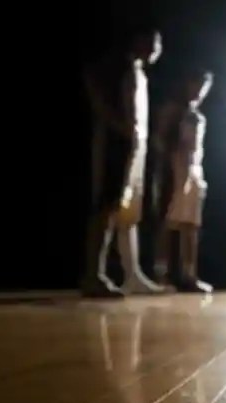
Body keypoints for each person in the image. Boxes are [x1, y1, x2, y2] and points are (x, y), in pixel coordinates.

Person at [82, 21, 166, 297]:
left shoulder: (138, 72)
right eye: (152, 42)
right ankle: (95, 274)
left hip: (133, 147)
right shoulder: (117, 67)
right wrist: (118, 126)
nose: (156, 49)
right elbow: (94, 85)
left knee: (127, 211)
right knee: (106, 208)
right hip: (116, 144)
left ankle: (132, 274)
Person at [151, 69, 214, 293]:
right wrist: (172, 169)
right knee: (168, 223)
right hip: (175, 169)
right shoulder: (172, 110)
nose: (199, 91)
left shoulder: (196, 115)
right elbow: (161, 141)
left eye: (204, 87)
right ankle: (161, 274)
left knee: (191, 226)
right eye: (196, 84)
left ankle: (189, 275)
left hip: (194, 170)